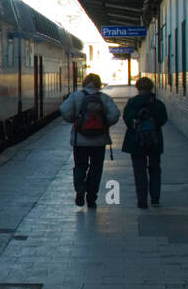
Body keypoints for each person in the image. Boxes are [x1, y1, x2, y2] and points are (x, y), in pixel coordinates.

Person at [59, 73, 120, 209]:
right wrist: (104, 123)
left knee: (80, 166)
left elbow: (64, 110)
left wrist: (75, 121)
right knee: (96, 168)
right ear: (98, 84)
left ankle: (80, 189)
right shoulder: (104, 98)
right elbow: (115, 114)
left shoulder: (76, 96)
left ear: (84, 83)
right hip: (99, 141)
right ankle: (92, 198)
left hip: (80, 140)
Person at [121, 76, 169, 208]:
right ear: (151, 88)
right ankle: (155, 199)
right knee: (155, 169)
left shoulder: (132, 103)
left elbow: (127, 120)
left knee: (139, 171)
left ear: (138, 88)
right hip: (154, 141)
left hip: (136, 142)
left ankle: (142, 200)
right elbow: (163, 120)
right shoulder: (158, 104)